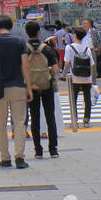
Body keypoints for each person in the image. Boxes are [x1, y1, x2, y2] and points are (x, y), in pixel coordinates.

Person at [0, 15, 31, 168]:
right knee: (20, 123)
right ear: (11, 26)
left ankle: (5, 158)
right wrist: (29, 86)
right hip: (17, 86)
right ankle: (20, 157)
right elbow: (25, 66)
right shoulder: (19, 41)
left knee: (0, 124)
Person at [24, 21, 60, 158]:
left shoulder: (24, 49)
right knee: (50, 116)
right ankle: (53, 149)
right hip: (47, 85)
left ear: (26, 33)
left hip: (31, 87)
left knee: (35, 117)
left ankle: (38, 150)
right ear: (39, 32)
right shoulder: (47, 49)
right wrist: (47, 70)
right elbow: (56, 70)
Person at [64, 26, 95, 127]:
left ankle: (75, 119)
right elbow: (92, 64)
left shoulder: (69, 47)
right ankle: (86, 120)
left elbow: (67, 63)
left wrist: (63, 74)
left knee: (73, 99)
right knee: (87, 99)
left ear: (75, 36)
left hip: (74, 78)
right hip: (87, 77)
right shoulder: (87, 49)